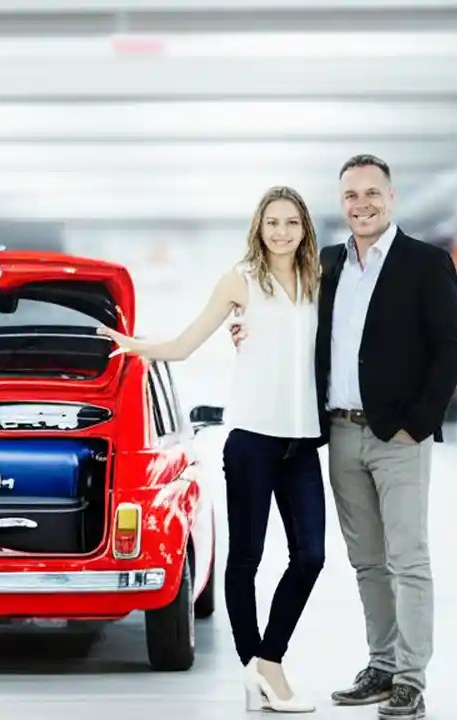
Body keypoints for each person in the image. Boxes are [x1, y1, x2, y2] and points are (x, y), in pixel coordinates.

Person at [230, 154, 457, 720]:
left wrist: (417, 423)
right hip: (337, 431)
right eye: (351, 196)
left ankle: (410, 678)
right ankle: (381, 666)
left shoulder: (425, 262)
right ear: (341, 204)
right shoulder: (326, 266)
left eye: (371, 194)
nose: (361, 204)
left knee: (407, 559)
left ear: (391, 197)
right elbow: (285, 315)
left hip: (398, 437)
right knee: (366, 561)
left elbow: (451, 348)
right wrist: (245, 326)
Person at [97, 185, 326, 713]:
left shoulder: (318, 280)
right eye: (273, 222)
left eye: (292, 222)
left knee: (309, 557)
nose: (282, 231)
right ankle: (258, 667)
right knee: (245, 557)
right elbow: (184, 344)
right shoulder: (239, 282)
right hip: (251, 440)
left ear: (305, 229)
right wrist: (135, 345)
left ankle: (268, 662)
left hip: (302, 442)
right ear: (259, 227)